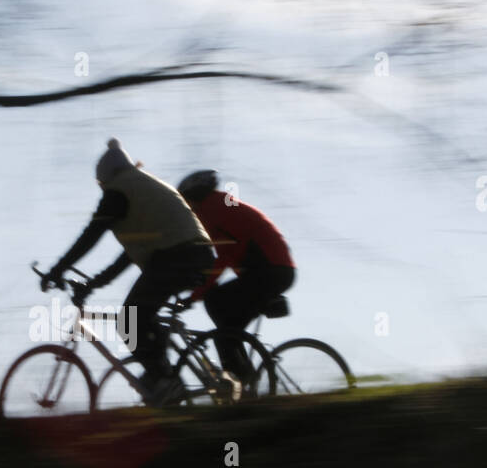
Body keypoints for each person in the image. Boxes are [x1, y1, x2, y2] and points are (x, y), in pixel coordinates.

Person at [41, 140, 217, 402]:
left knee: (129, 321)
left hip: (178, 256)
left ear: (104, 179)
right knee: (141, 316)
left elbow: (91, 235)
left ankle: (167, 383)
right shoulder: (140, 187)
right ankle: (163, 378)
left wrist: (57, 269)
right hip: (193, 255)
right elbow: (126, 258)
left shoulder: (118, 192)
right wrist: (94, 284)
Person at [177, 169, 296, 385]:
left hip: (269, 272)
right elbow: (223, 256)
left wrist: (194, 296)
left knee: (218, 310)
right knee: (228, 327)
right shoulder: (220, 205)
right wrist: (197, 291)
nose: (187, 209)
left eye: (186, 202)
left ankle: (240, 383)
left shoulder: (212, 210)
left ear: (194, 197)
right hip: (275, 271)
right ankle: (245, 382)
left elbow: (222, 258)